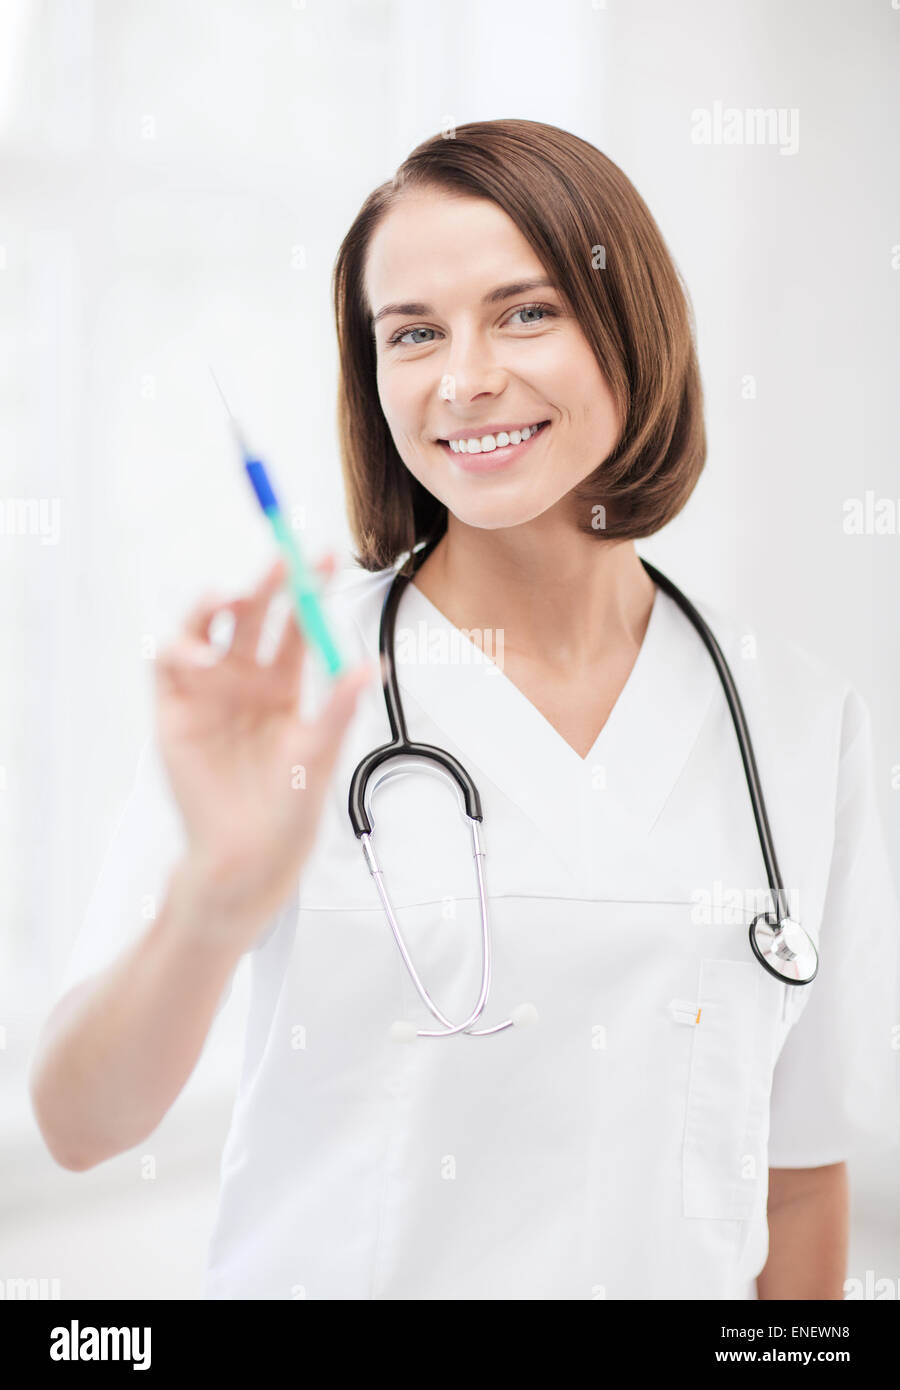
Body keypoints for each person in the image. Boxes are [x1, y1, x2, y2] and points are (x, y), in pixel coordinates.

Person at [30, 119, 899, 1300]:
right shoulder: (299, 693)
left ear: (630, 327)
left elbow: (795, 1179)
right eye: (414, 333)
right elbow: (82, 1121)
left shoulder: (795, 718)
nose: (465, 378)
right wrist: (210, 905)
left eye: (526, 311)